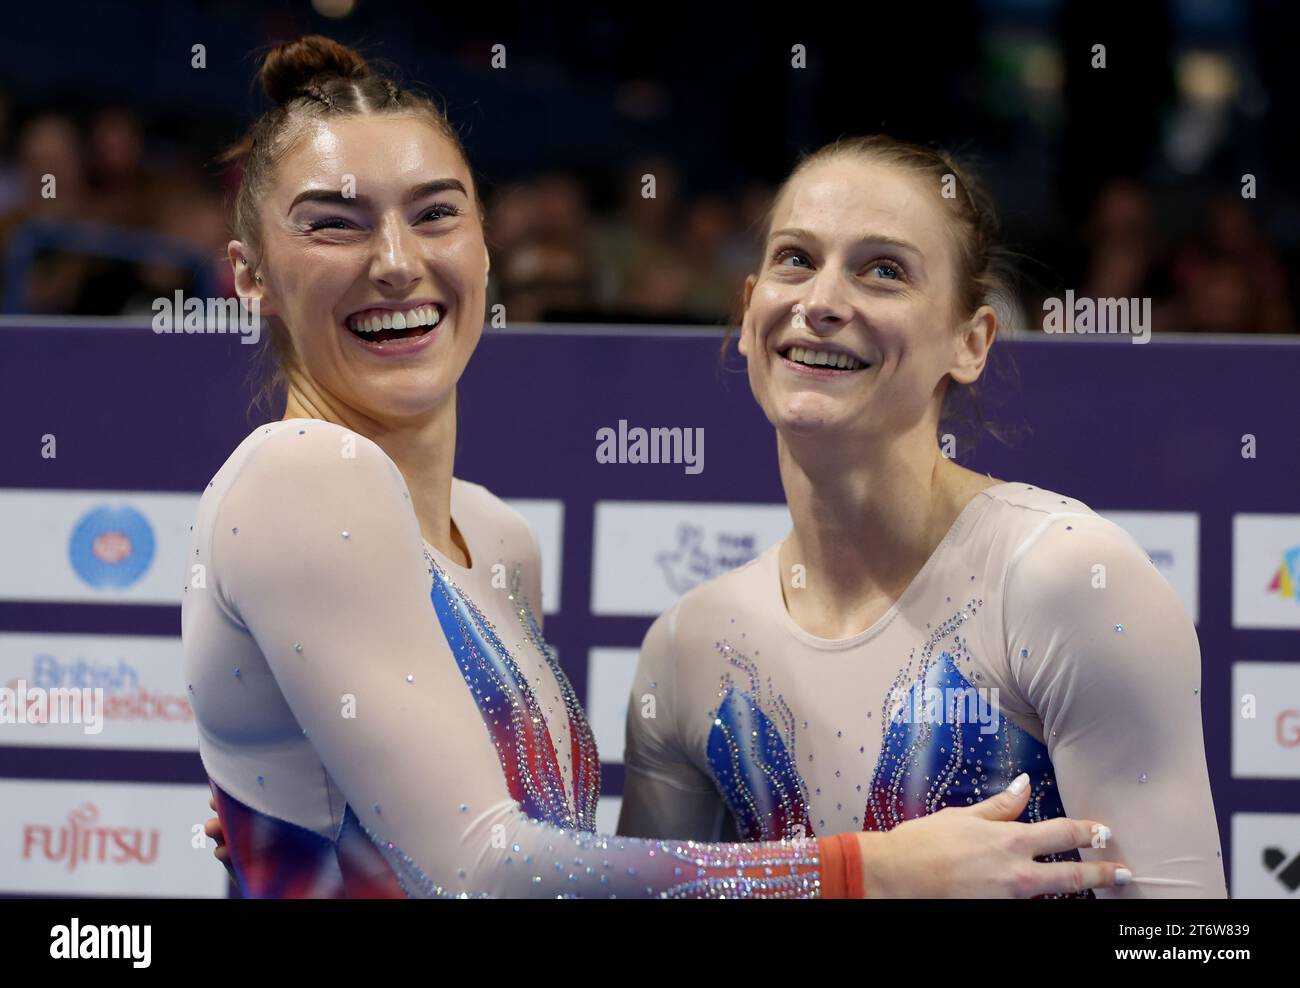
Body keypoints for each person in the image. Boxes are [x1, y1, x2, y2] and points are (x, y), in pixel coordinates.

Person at [194, 36, 1130, 899]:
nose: (396, 263)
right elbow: (482, 869)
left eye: (435, 213)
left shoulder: (499, 543)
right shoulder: (300, 475)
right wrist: (870, 871)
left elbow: (553, 862)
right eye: (333, 225)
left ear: (483, 244)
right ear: (249, 275)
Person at [617, 136, 1227, 898]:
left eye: (884, 271)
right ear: (747, 315)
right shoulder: (686, 648)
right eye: (796, 259)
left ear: (970, 343)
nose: (823, 302)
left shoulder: (1064, 581)